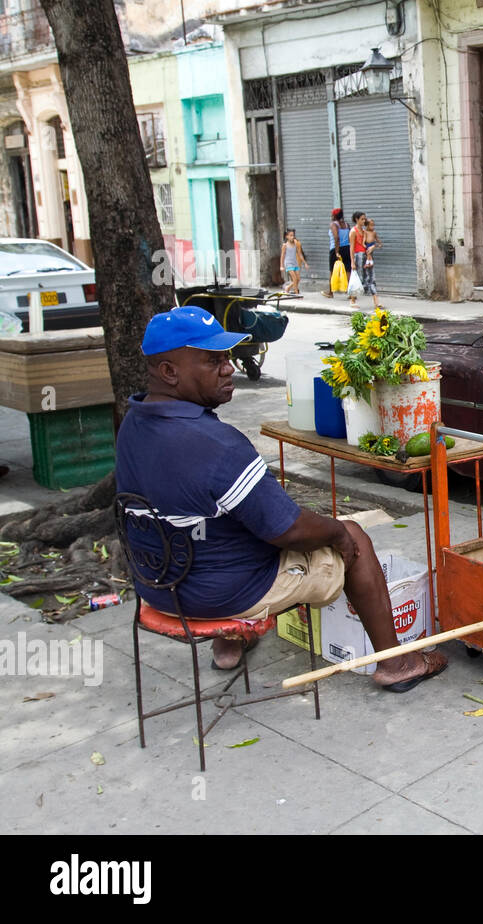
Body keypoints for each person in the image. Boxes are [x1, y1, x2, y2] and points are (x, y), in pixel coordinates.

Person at [115, 306, 448, 691]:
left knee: (225, 523)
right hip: (219, 595)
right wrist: (337, 533)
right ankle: (397, 663)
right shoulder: (216, 445)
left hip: (159, 587)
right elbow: (288, 529)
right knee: (353, 535)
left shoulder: (134, 422)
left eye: (226, 358)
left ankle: (228, 645)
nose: (228, 369)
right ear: (169, 372)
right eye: (212, 361)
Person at [325, 208, 350, 298]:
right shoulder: (346, 224)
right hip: (347, 248)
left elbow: (336, 238)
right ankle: (350, 293)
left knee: (332, 270)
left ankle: (330, 292)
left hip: (336, 249)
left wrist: (336, 252)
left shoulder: (333, 224)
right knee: (348, 270)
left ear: (334, 216)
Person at [347, 211, 368, 309]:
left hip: (363, 255)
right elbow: (351, 247)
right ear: (357, 219)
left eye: (364, 219)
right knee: (356, 278)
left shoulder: (363, 231)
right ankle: (352, 299)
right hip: (356, 256)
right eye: (362, 219)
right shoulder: (353, 231)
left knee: (362, 277)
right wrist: (352, 262)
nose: (364, 221)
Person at [279, 228, 308, 295]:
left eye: (293, 235)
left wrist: (305, 263)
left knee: (298, 279)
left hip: (295, 263)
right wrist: (281, 266)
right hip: (288, 263)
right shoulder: (285, 245)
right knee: (294, 278)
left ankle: (288, 288)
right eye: (291, 235)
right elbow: (282, 256)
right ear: (287, 236)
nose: (292, 237)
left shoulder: (296, 244)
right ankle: (296, 293)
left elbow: (300, 254)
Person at [362, 217, 382, 308]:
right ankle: (353, 298)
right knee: (366, 279)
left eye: (373, 225)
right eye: (371, 225)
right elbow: (362, 242)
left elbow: (379, 243)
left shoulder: (374, 233)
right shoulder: (364, 232)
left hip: (369, 256)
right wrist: (365, 247)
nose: (372, 227)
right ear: (366, 226)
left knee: (371, 280)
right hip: (364, 255)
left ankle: (376, 302)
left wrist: (374, 246)